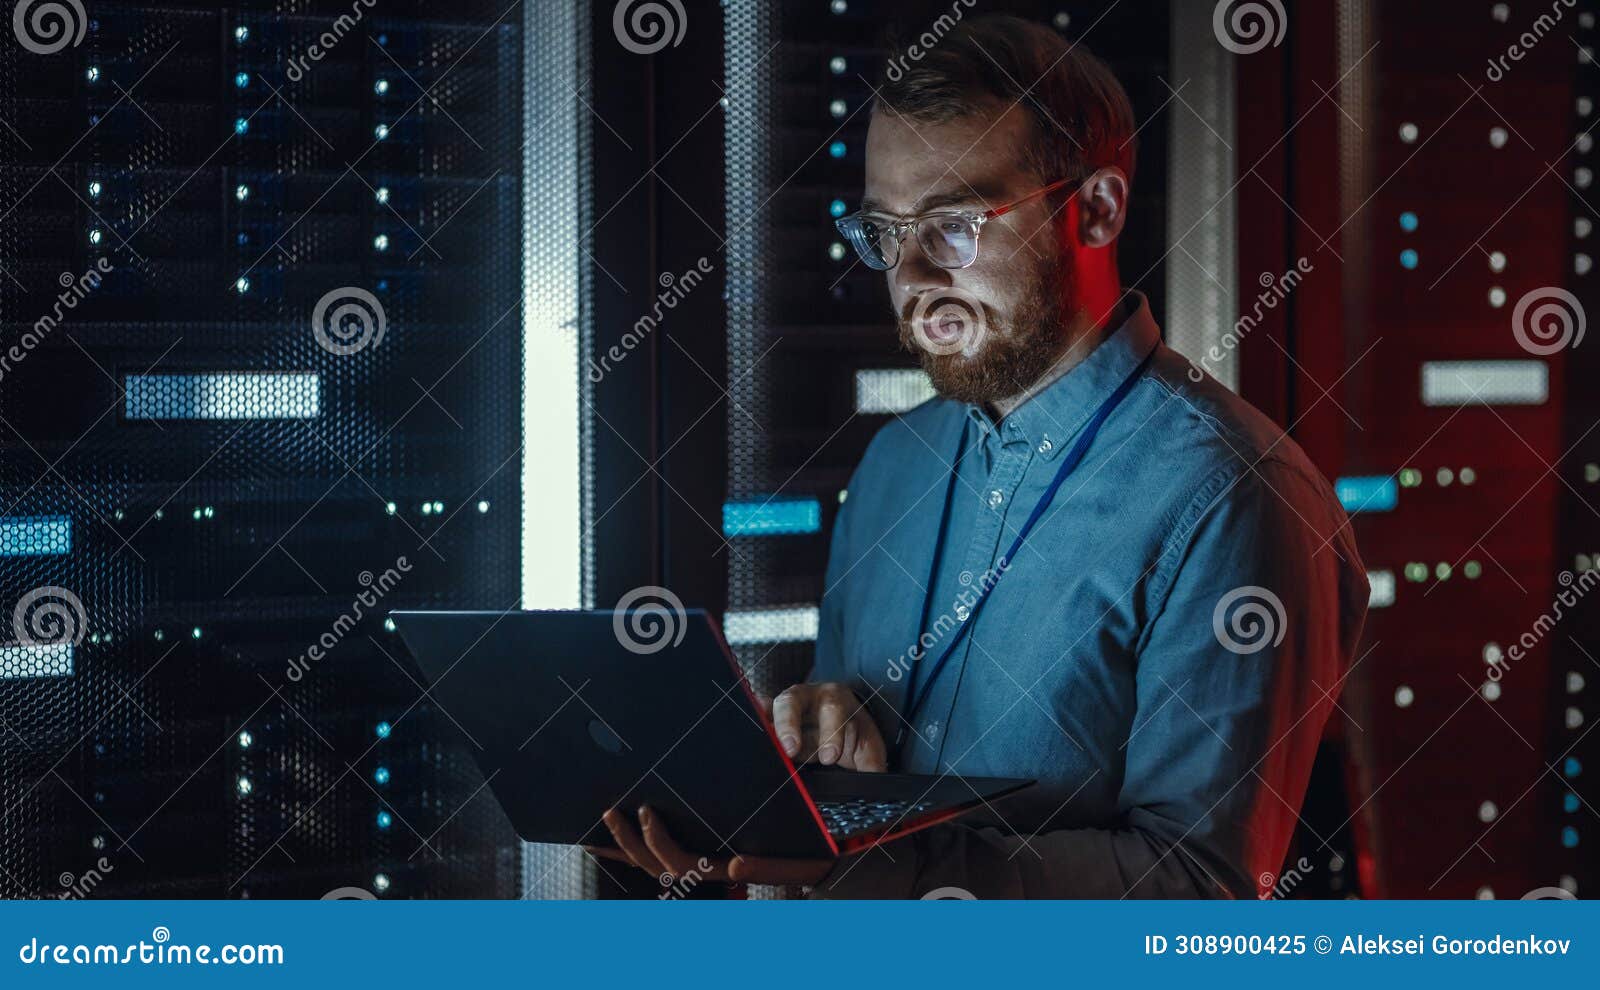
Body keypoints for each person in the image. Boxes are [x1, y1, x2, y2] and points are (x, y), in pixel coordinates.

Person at [597, 13, 1368, 898]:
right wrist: (811, 773)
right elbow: (848, 794)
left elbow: (1202, 893)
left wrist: (876, 871)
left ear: (1099, 209)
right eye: (888, 233)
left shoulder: (1236, 497)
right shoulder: (893, 467)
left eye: (955, 224)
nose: (915, 277)